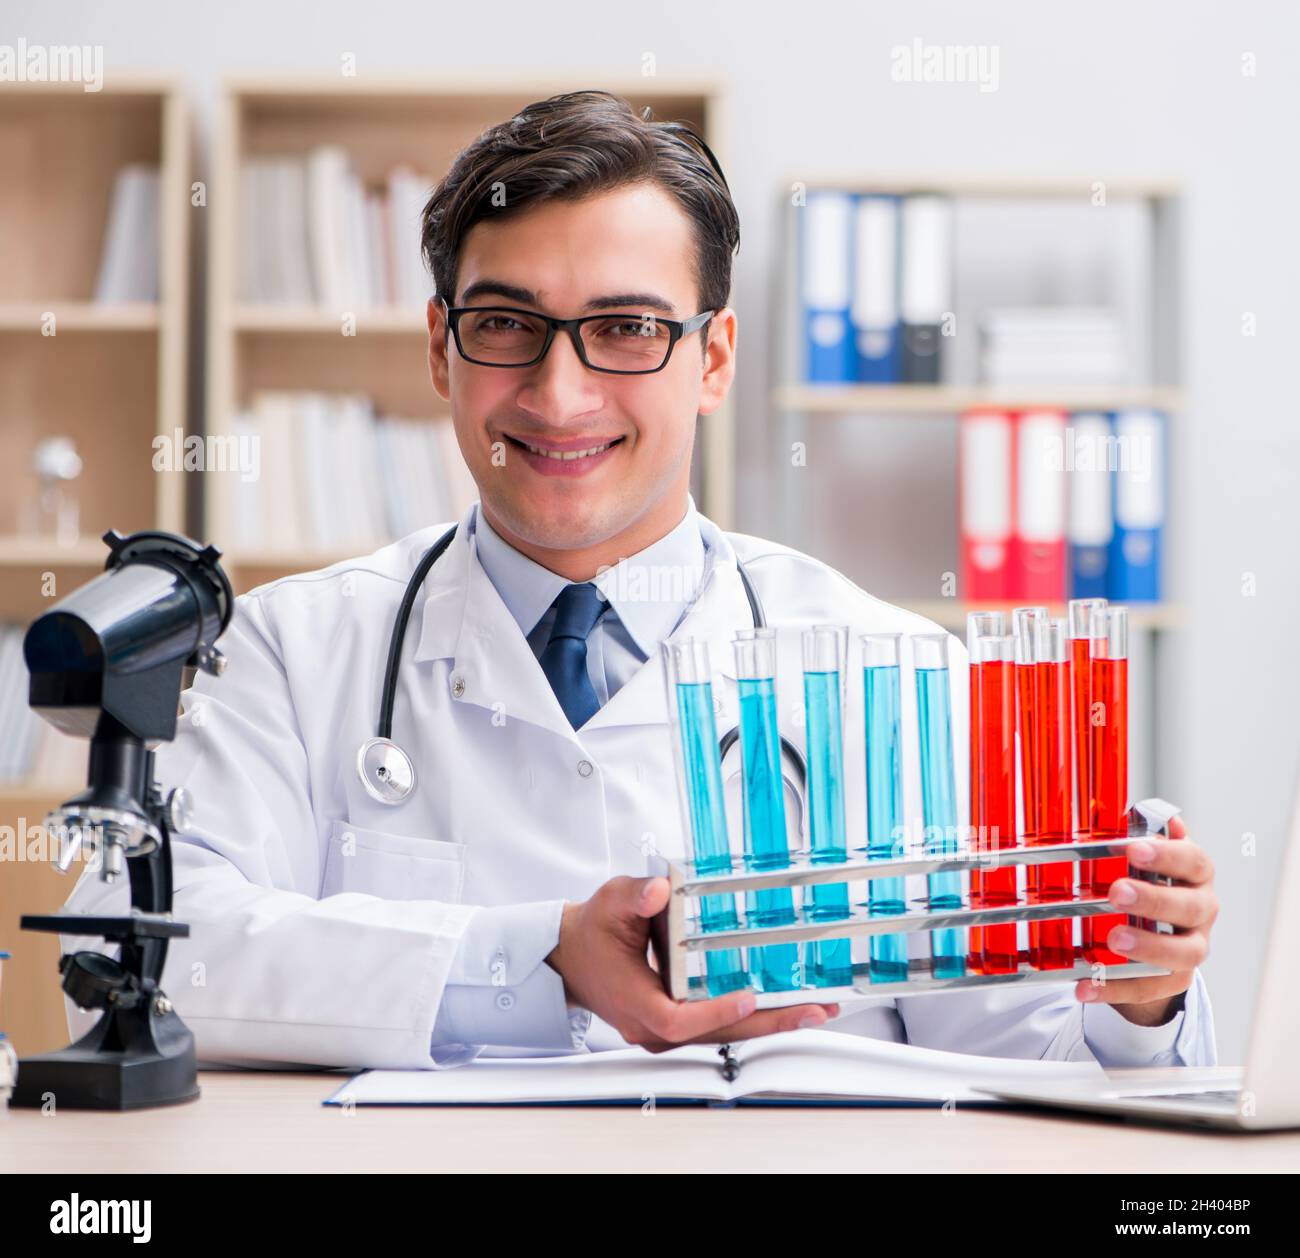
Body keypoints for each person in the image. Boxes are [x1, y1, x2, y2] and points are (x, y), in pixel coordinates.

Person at [62, 90, 1217, 1071]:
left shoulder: (892, 667)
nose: (560, 396)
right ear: (438, 347)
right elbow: (128, 956)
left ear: (713, 357)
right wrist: (532, 954)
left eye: (623, 329)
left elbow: (1045, 1059)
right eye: (507, 324)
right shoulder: (293, 647)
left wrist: (1142, 1000)